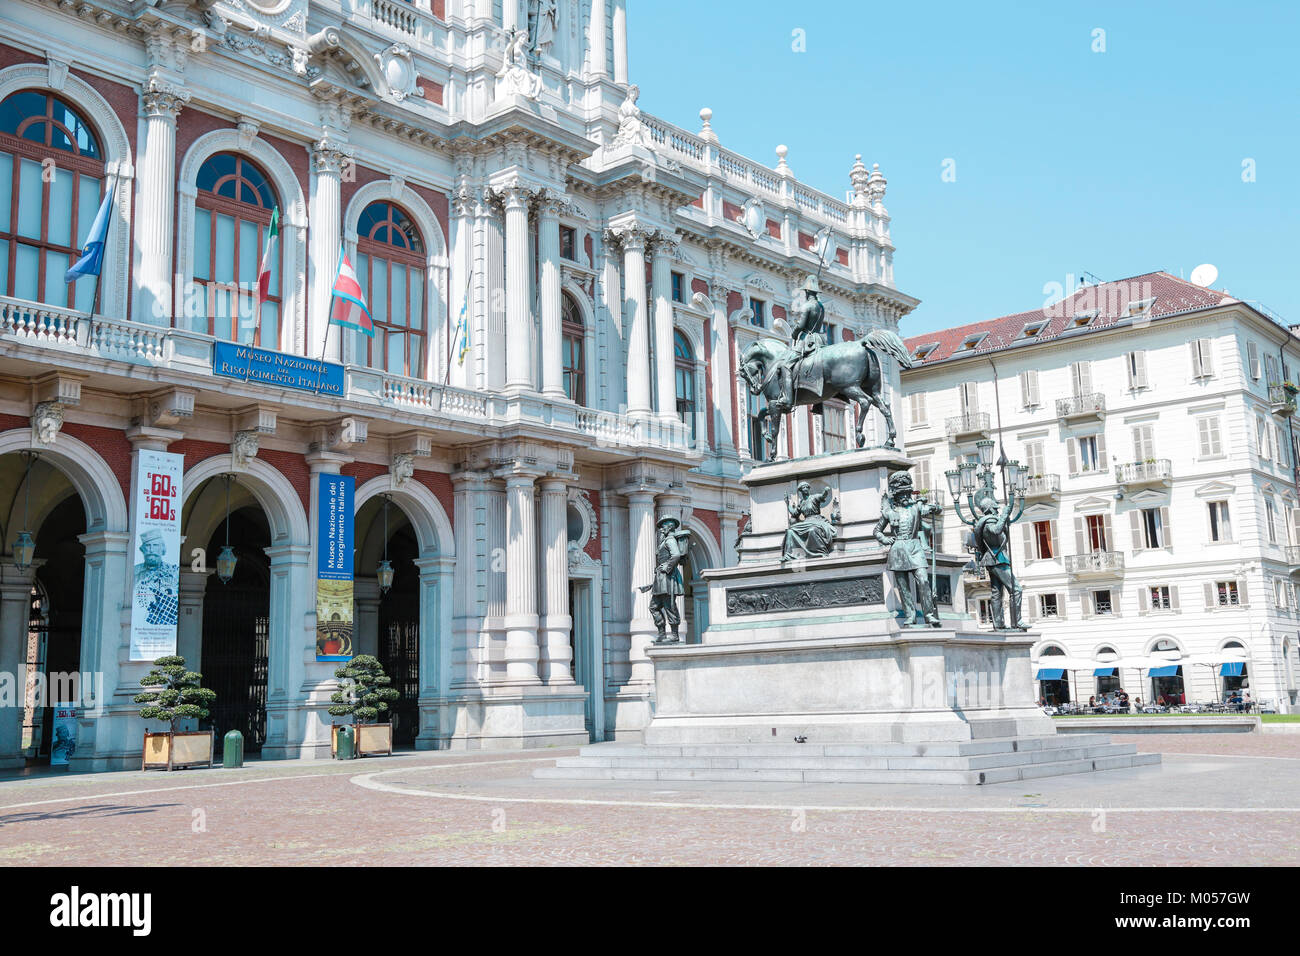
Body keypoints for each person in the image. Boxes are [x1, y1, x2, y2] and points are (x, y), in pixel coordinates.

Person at [875, 471, 943, 628]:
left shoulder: (917, 507)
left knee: (924, 580)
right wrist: (885, 539)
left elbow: (936, 509)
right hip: (898, 549)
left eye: (907, 493)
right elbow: (877, 531)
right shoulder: (889, 512)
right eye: (902, 494)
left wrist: (933, 507)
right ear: (896, 495)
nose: (905, 497)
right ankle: (910, 615)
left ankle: (929, 614)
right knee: (903, 586)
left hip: (914, 547)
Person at [638, 515, 689, 645]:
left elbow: (676, 554)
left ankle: (674, 635)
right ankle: (661, 633)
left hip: (668, 578)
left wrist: (667, 566)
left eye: (663, 526)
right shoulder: (665, 540)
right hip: (661, 578)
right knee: (654, 607)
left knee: (669, 606)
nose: (661, 530)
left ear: (670, 526)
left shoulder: (670, 540)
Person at [782, 481, 836, 560]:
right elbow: (795, 513)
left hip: (817, 520)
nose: (805, 489)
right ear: (800, 491)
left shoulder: (814, 497)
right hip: (806, 522)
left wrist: (825, 491)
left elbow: (822, 496)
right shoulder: (801, 503)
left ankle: (818, 552)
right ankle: (790, 554)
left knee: (812, 530)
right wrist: (787, 504)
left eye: (806, 487)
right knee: (791, 531)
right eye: (803, 488)